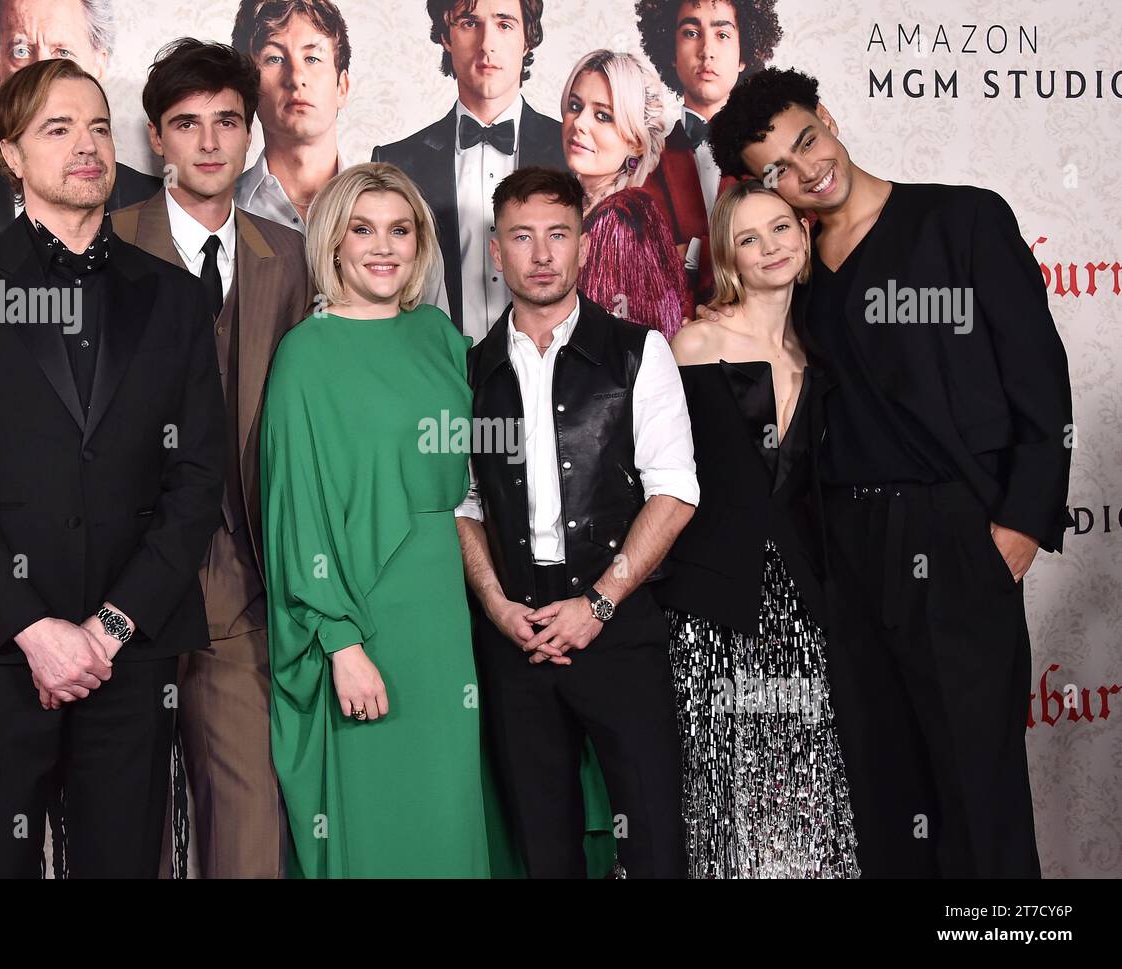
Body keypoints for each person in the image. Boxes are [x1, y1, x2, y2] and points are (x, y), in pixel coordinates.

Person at [706, 67, 1073, 877]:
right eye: (779, 173)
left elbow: (1042, 389)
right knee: (883, 793)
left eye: (808, 140)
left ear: (827, 117)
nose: (807, 172)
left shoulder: (962, 219)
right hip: (846, 551)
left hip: (953, 536)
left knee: (981, 795)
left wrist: (1015, 530)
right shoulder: (797, 271)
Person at [0, 58, 226, 877]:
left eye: (97, 126)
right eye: (57, 128)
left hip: (133, 652)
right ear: (9, 154)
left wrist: (107, 630)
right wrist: (35, 631)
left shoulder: (176, 297)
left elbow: (195, 482)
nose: (86, 146)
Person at [455, 167, 697, 878]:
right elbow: (463, 505)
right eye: (521, 237)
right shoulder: (469, 372)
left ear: (583, 247)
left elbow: (675, 491)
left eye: (557, 235)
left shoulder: (637, 351)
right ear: (495, 252)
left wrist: (599, 602)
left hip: (619, 630)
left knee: (653, 842)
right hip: (516, 639)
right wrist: (497, 606)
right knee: (542, 849)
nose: (540, 254)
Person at [111, 37, 311, 879]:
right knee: (123, 834)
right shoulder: (106, 245)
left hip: (241, 587)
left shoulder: (291, 255)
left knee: (250, 836)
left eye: (227, 121)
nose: (208, 141)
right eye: (186, 123)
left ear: (250, 132)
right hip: (118, 586)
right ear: (156, 137)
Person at [260, 162, 489, 877]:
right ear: (332, 242)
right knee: (380, 826)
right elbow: (296, 513)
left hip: (452, 621)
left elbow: (480, 487)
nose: (383, 247)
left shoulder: (443, 339)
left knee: (451, 816)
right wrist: (341, 644)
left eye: (400, 229)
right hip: (366, 620)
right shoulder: (304, 354)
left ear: (421, 244)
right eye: (363, 229)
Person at [660, 180, 859, 877]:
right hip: (715, 609)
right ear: (729, 258)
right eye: (749, 237)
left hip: (804, 609)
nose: (770, 246)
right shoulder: (695, 343)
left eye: (781, 229)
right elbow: (660, 482)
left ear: (805, 242)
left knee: (808, 797)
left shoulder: (826, 360)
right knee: (721, 804)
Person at [231, 0, 447, 310]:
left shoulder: (401, 214)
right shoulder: (224, 213)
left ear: (342, 86)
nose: (296, 77)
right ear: (249, 89)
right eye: (274, 58)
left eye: (313, 57)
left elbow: (433, 340)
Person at [372, 0, 564, 341]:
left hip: (555, 373)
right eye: (469, 23)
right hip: (438, 374)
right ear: (446, 36)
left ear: (527, 38)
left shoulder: (574, 153)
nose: (486, 43)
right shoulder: (397, 163)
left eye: (504, 24)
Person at [0, 0, 160, 237]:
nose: (44, 71)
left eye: (63, 53)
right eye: (20, 51)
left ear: (99, 63)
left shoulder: (156, 203)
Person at [635, 0, 782, 307]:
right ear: (671, 52)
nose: (706, 51)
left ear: (745, 54)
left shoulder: (779, 147)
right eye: (691, 33)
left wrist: (690, 253)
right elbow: (642, 273)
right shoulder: (643, 165)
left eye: (723, 35)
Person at [560, 48, 686, 340]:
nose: (579, 123)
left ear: (636, 143)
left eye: (603, 116)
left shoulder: (618, 220)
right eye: (575, 106)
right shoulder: (595, 211)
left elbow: (608, 349)